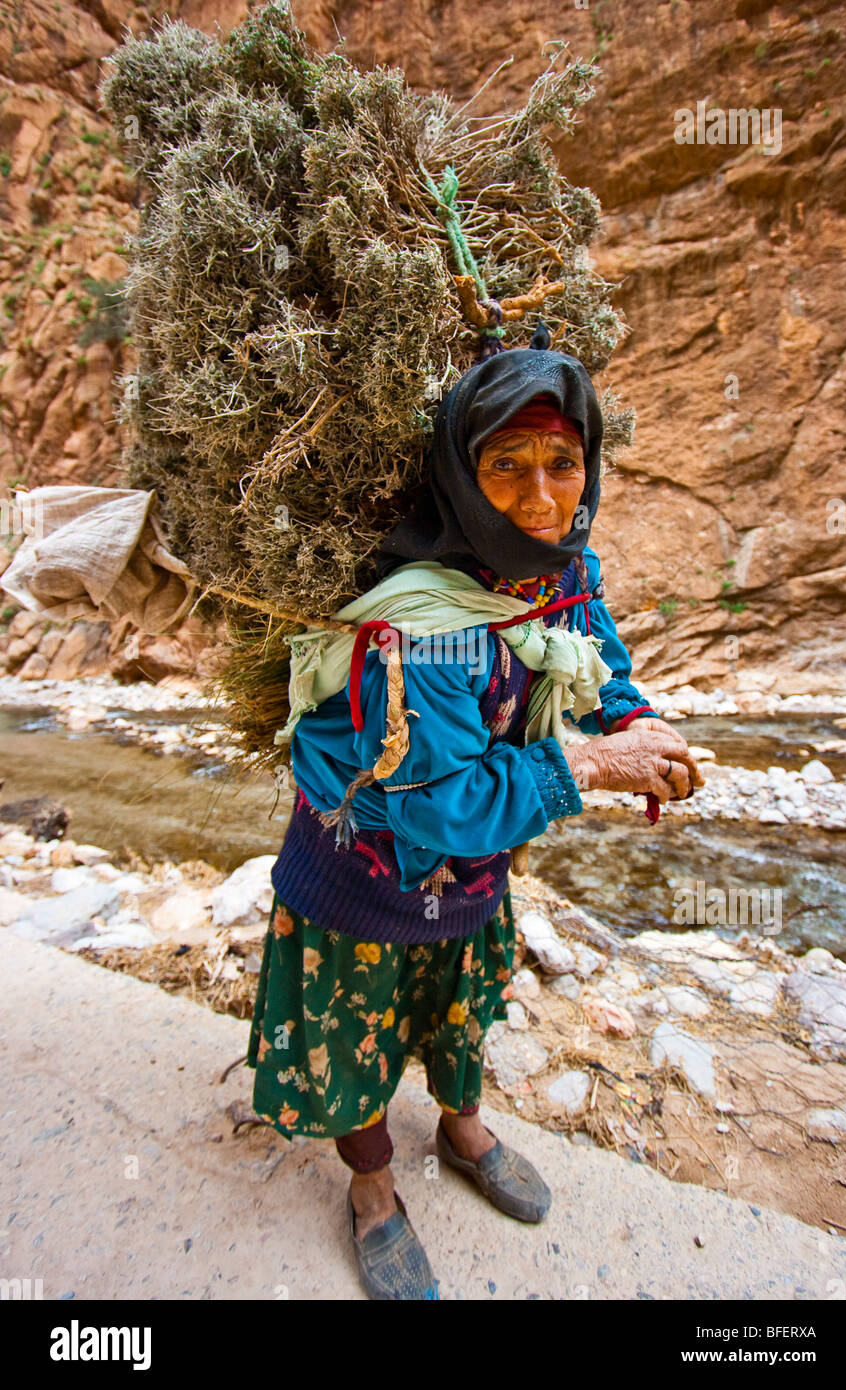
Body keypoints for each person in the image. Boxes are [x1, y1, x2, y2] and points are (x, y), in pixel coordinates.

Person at [246, 340, 702, 1300]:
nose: (542, 495)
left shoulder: (564, 567)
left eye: (563, 464)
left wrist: (634, 717)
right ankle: (373, 1188)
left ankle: (461, 1129)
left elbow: (596, 652)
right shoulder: (413, 628)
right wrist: (594, 761)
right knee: (350, 1032)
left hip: (474, 871)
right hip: (362, 873)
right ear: (459, 471)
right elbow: (448, 801)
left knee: (462, 1010)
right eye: (506, 465)